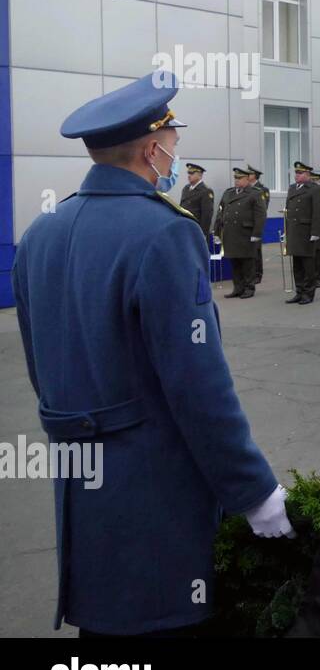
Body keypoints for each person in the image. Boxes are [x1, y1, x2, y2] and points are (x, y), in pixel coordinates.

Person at [11, 71, 292, 637]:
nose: (175, 155)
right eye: (173, 144)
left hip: (81, 492)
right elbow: (197, 386)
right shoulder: (164, 233)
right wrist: (254, 492)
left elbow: (42, 365)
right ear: (151, 148)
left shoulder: (43, 230)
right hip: (155, 496)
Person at [213, 167, 267, 299]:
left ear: (247, 179)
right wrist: (217, 231)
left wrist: (256, 233)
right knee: (235, 263)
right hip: (231, 233)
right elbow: (221, 213)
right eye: (235, 178)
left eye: (239, 178)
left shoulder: (255, 193)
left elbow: (260, 215)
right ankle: (238, 288)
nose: (236, 181)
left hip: (246, 233)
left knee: (247, 262)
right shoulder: (229, 193)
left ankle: (249, 288)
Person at [284, 161, 320, 304]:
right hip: (294, 231)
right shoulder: (292, 188)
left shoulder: (314, 189)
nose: (297, 175)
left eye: (300, 173)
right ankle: (299, 291)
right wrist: (287, 230)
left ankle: (308, 293)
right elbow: (288, 211)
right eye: (296, 173)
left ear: (308, 174)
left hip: (307, 231)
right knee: (297, 264)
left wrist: (315, 232)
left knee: (308, 265)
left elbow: (318, 212)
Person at [245, 166, 270, 285]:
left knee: (256, 249)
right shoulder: (247, 188)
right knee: (249, 249)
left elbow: (263, 208)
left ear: (254, 176)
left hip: (256, 223)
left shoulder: (262, 190)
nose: (247, 176)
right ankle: (250, 273)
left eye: (249, 174)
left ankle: (257, 274)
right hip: (246, 224)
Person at [179, 162, 215, 235]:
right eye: (188, 173)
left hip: (196, 229)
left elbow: (207, 216)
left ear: (200, 175)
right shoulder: (186, 188)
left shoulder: (205, 191)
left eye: (192, 173)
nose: (189, 176)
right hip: (185, 227)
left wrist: (202, 233)